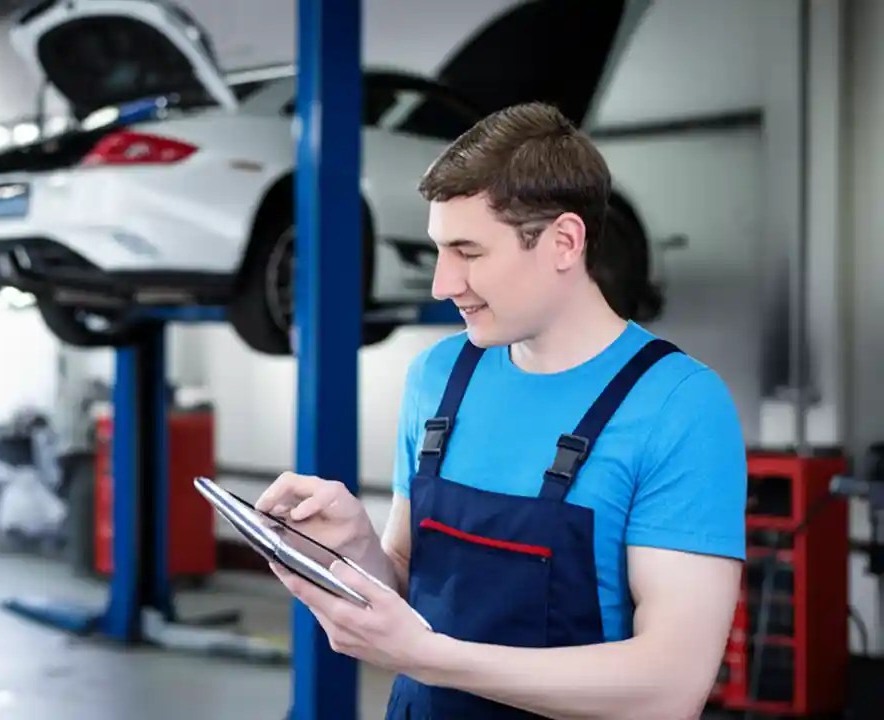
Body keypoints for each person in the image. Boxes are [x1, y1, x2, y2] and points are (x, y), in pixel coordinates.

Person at [257, 102, 747, 719]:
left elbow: (669, 687)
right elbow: (414, 583)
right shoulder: (438, 376)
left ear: (564, 242)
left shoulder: (678, 408)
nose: (442, 283)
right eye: (439, 249)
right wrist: (356, 550)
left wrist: (430, 657)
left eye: (469, 251)